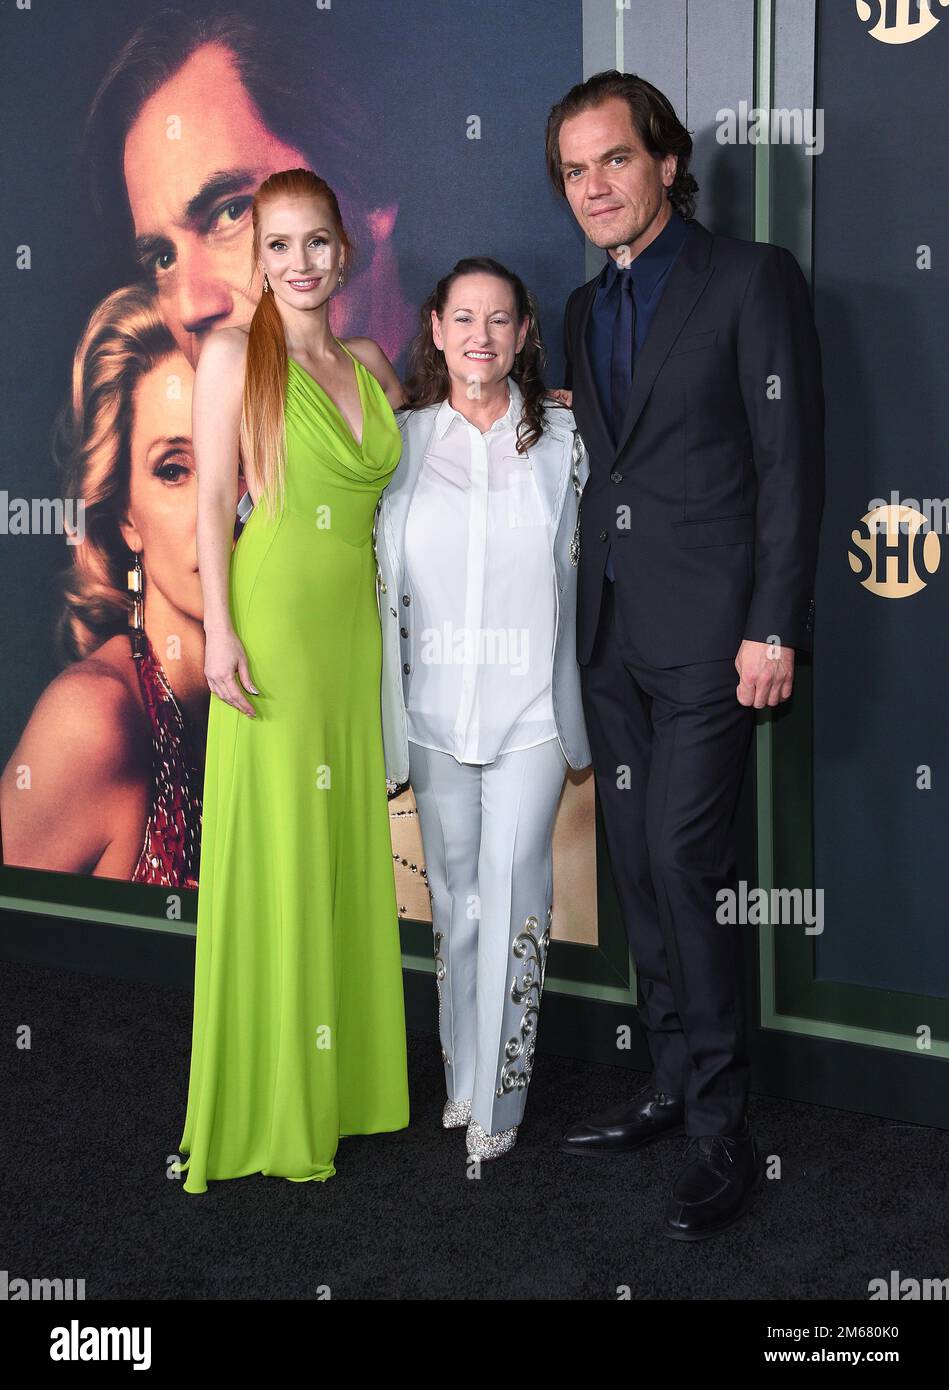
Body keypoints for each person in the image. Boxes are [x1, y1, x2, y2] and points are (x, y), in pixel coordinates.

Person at [547, 71, 824, 1238]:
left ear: (664, 161)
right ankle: (666, 1081)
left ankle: (722, 1130)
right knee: (637, 870)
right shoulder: (577, 306)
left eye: (614, 160)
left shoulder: (749, 276)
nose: (594, 187)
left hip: (714, 638)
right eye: (573, 171)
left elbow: (789, 463)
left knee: (681, 861)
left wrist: (775, 624)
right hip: (608, 632)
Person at [171, 168, 409, 1193]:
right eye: (279, 245)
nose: (300, 264)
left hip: (351, 636)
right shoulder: (233, 353)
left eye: (317, 243)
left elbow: (436, 457)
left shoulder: (368, 360)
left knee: (338, 847)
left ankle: (343, 1085)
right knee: (278, 854)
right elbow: (214, 497)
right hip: (269, 628)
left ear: (344, 249)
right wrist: (219, 630)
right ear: (255, 257)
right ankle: (272, 1101)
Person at [374, 258, 591, 1162]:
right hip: (429, 711)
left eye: (499, 320)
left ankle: (499, 1109)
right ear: (434, 329)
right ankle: (462, 1083)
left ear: (524, 334)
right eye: (463, 317)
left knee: (513, 901)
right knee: (455, 905)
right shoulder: (399, 442)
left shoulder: (568, 443)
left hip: (534, 713)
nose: (479, 336)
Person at [0, 285, 206, 885]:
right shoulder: (96, 719)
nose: (216, 508)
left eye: (241, 458)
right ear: (126, 518)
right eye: (174, 469)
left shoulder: (280, 722)